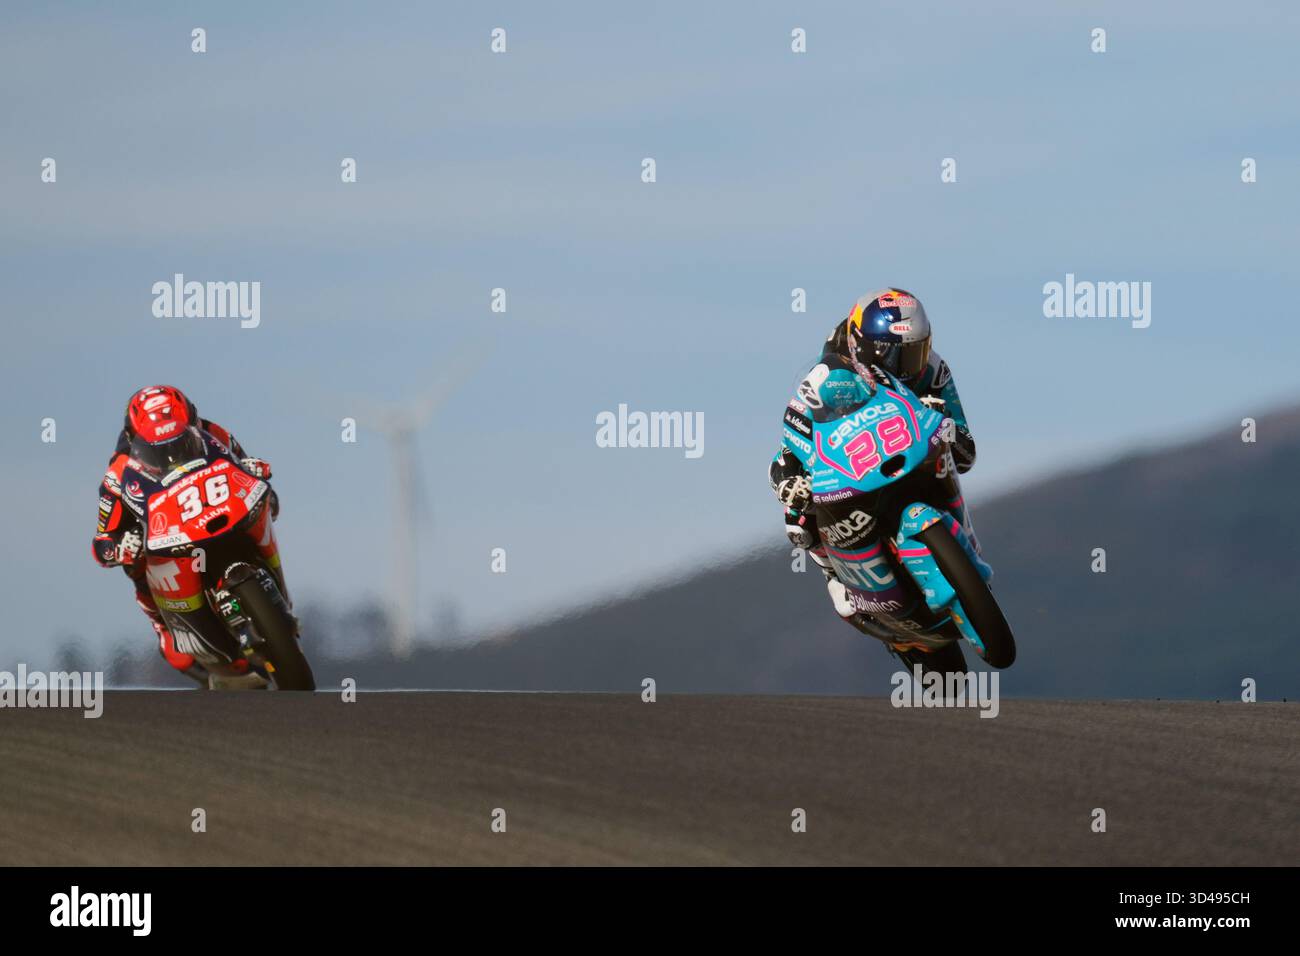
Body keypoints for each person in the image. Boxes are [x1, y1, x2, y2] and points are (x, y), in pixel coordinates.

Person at [769, 288, 978, 635]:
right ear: (867, 349)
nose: (914, 365)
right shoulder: (831, 375)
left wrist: (944, 425)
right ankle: (834, 575)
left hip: (914, 457)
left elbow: (967, 451)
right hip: (856, 464)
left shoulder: (934, 370)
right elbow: (793, 432)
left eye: (919, 350)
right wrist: (792, 479)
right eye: (902, 357)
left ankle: (958, 553)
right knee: (797, 520)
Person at [91, 385, 272, 685]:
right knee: (136, 565)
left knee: (268, 502)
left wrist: (254, 470)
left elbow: (243, 463)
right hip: (161, 531)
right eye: (163, 446)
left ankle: (271, 577)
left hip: (216, 508)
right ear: (135, 437)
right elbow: (101, 542)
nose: (175, 449)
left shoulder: (213, 433)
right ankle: (162, 623)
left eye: (183, 434)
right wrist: (120, 548)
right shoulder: (118, 473)